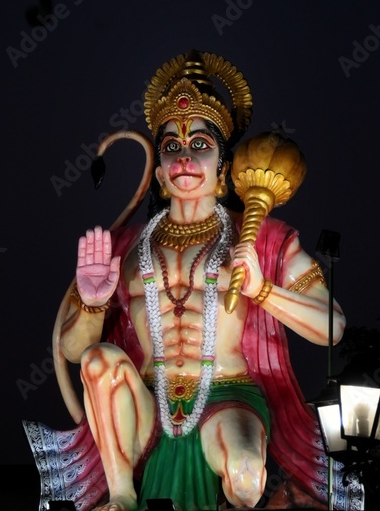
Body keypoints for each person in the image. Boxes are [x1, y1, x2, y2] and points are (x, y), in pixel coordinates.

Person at [24, 50, 349, 511]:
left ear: (223, 168)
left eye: (200, 144)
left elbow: (332, 327)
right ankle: (122, 496)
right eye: (172, 148)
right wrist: (94, 303)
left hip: (229, 395)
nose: (184, 158)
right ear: (158, 172)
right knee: (98, 358)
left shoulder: (262, 238)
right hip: (145, 405)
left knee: (244, 475)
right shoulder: (125, 248)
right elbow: (75, 351)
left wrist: (262, 291)